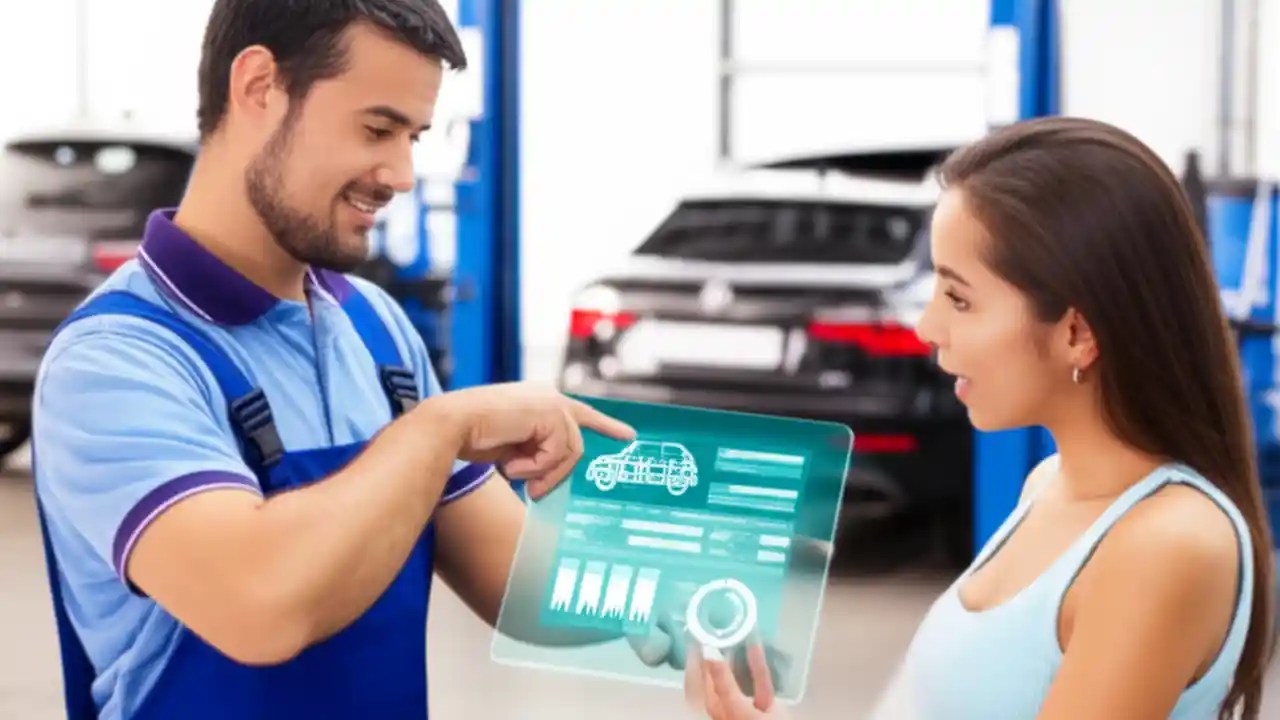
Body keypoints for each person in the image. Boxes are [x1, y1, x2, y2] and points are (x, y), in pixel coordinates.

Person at [31, 2, 683, 719]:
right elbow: (260, 604)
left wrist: (701, 610)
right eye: (377, 129)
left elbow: (522, 582)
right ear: (259, 87)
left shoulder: (377, 332)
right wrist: (440, 429)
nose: (401, 174)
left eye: (414, 137)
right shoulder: (116, 360)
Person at [683, 116, 1277, 719]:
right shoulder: (1049, 486)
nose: (927, 327)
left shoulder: (1166, 545)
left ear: (1077, 332)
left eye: (959, 298)